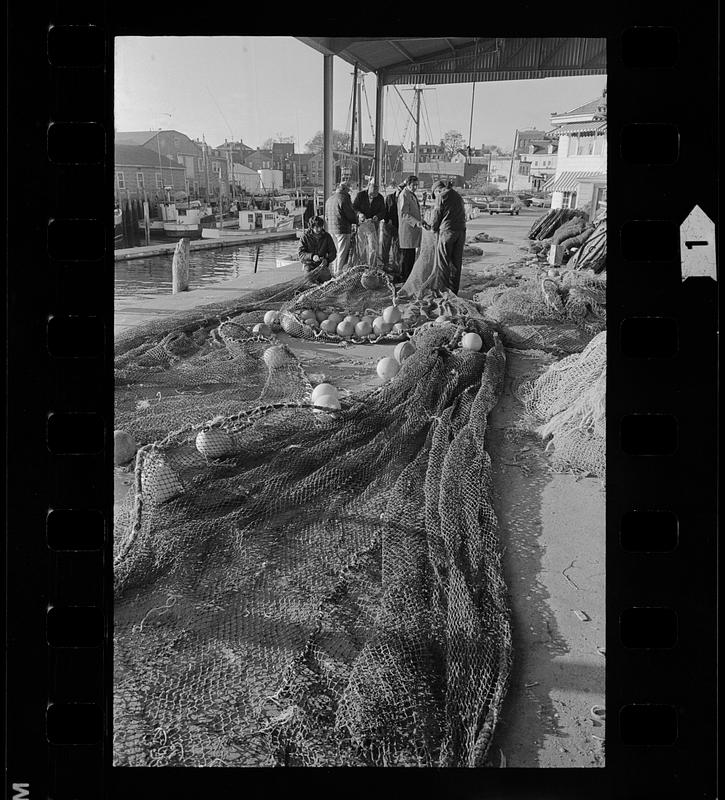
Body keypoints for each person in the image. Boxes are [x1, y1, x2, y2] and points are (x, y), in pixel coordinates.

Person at [429, 180, 467, 294]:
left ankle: (443, 291)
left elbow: (437, 215)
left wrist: (433, 229)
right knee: (456, 263)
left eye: (435, 193)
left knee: (443, 262)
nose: (435, 196)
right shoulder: (458, 196)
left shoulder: (441, 196)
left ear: (438, 190)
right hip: (461, 232)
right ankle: (453, 291)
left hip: (447, 232)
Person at [324, 181, 358, 275]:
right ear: (344, 189)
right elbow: (350, 215)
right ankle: (338, 273)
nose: (349, 192)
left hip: (331, 229)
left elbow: (326, 216)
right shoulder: (344, 198)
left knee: (335, 252)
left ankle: (334, 271)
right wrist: (357, 220)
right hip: (343, 230)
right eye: (348, 190)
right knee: (341, 252)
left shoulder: (329, 199)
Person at [352, 179, 386, 267]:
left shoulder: (380, 198)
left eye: (377, 190)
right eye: (373, 189)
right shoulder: (360, 195)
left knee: (373, 247)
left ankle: (372, 267)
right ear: (369, 187)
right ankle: (361, 266)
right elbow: (354, 207)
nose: (375, 193)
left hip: (373, 225)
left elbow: (383, 211)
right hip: (361, 224)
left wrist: (377, 216)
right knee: (361, 247)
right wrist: (359, 214)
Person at [397, 175, 423, 283]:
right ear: (408, 184)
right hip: (407, 230)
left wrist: (421, 221)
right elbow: (404, 214)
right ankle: (404, 278)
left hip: (413, 231)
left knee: (411, 255)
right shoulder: (404, 195)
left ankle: (408, 278)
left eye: (417, 185)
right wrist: (416, 222)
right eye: (413, 185)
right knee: (406, 257)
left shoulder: (411, 194)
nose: (415, 187)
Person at [297, 216, 336, 283]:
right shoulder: (305, 237)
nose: (319, 229)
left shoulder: (327, 236)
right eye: (317, 227)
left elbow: (333, 252)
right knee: (309, 283)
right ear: (311, 227)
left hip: (322, 265)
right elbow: (301, 254)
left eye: (321, 227)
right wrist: (312, 256)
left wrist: (327, 260)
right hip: (309, 265)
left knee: (328, 282)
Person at [380, 182, 404, 277]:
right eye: (400, 190)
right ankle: (384, 264)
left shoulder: (404, 199)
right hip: (388, 224)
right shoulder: (389, 197)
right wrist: (386, 220)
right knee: (385, 245)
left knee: (397, 246)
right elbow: (385, 210)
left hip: (398, 225)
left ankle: (396, 265)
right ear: (397, 189)